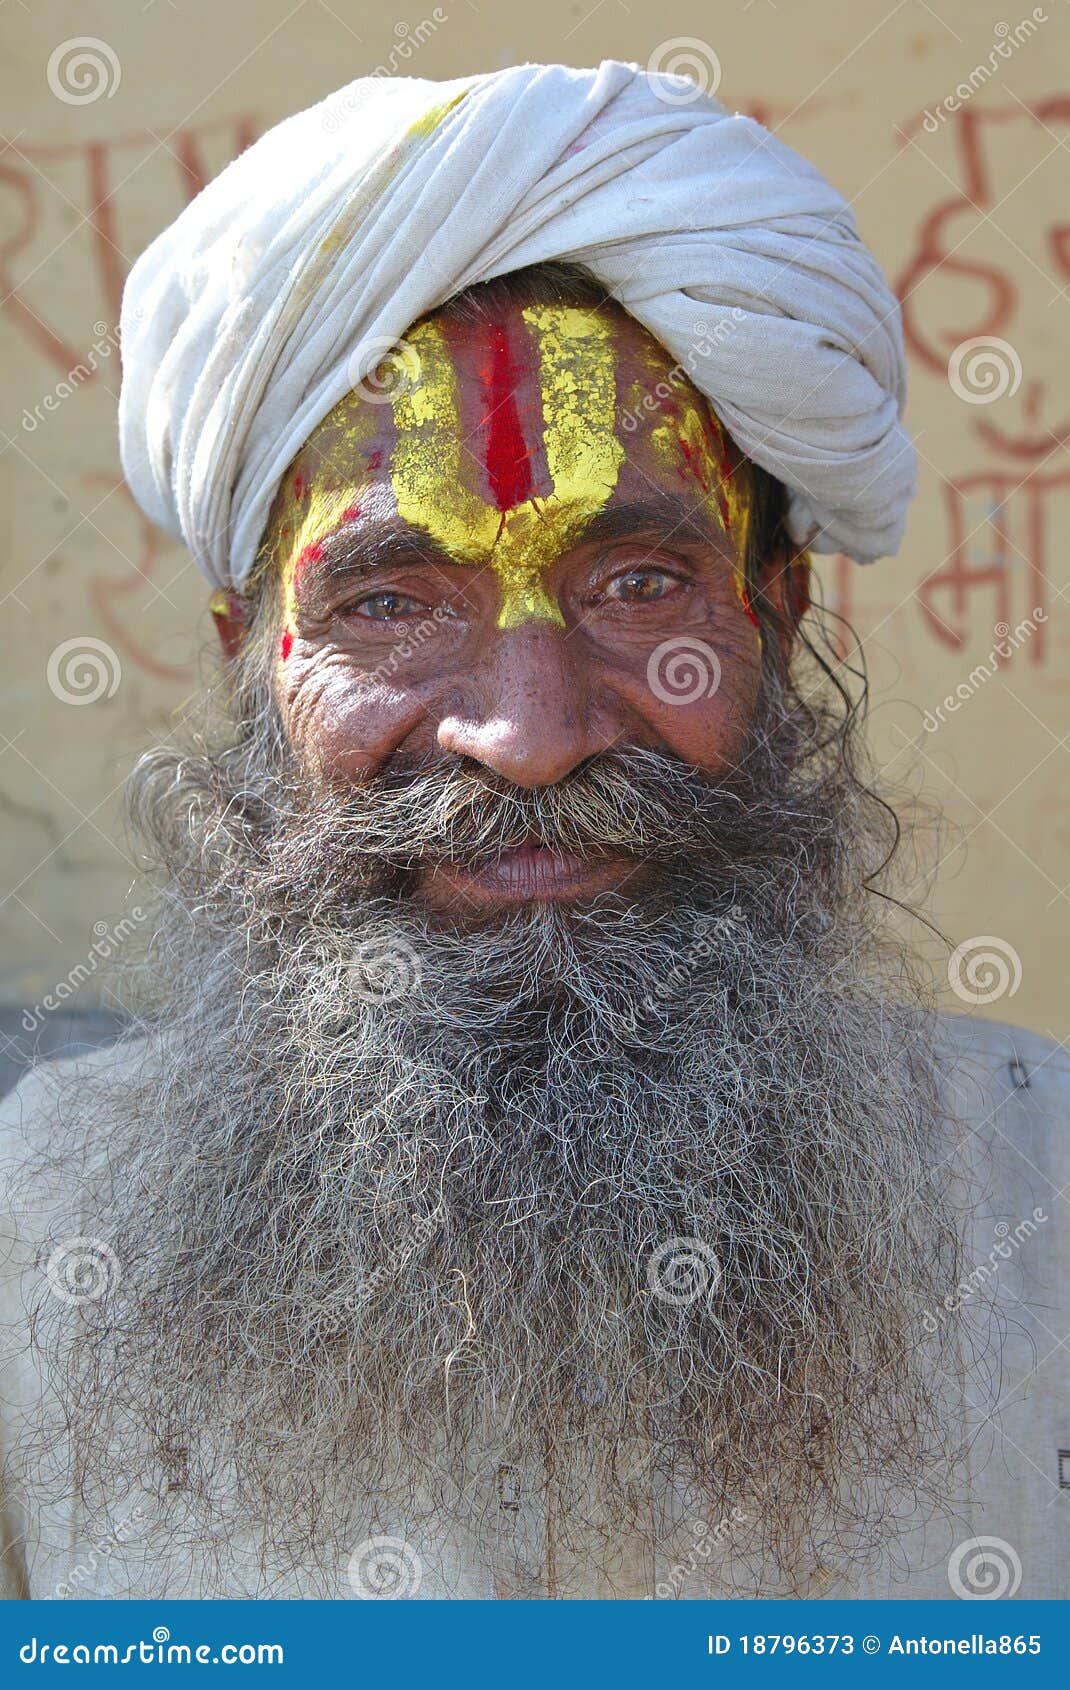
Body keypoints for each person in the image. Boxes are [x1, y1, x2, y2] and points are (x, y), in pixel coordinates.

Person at [1, 61, 1066, 1602]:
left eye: (638, 584)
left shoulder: (1034, 1184)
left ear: (774, 610)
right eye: (384, 603)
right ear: (253, 650)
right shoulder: (35, 1227)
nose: (529, 729)